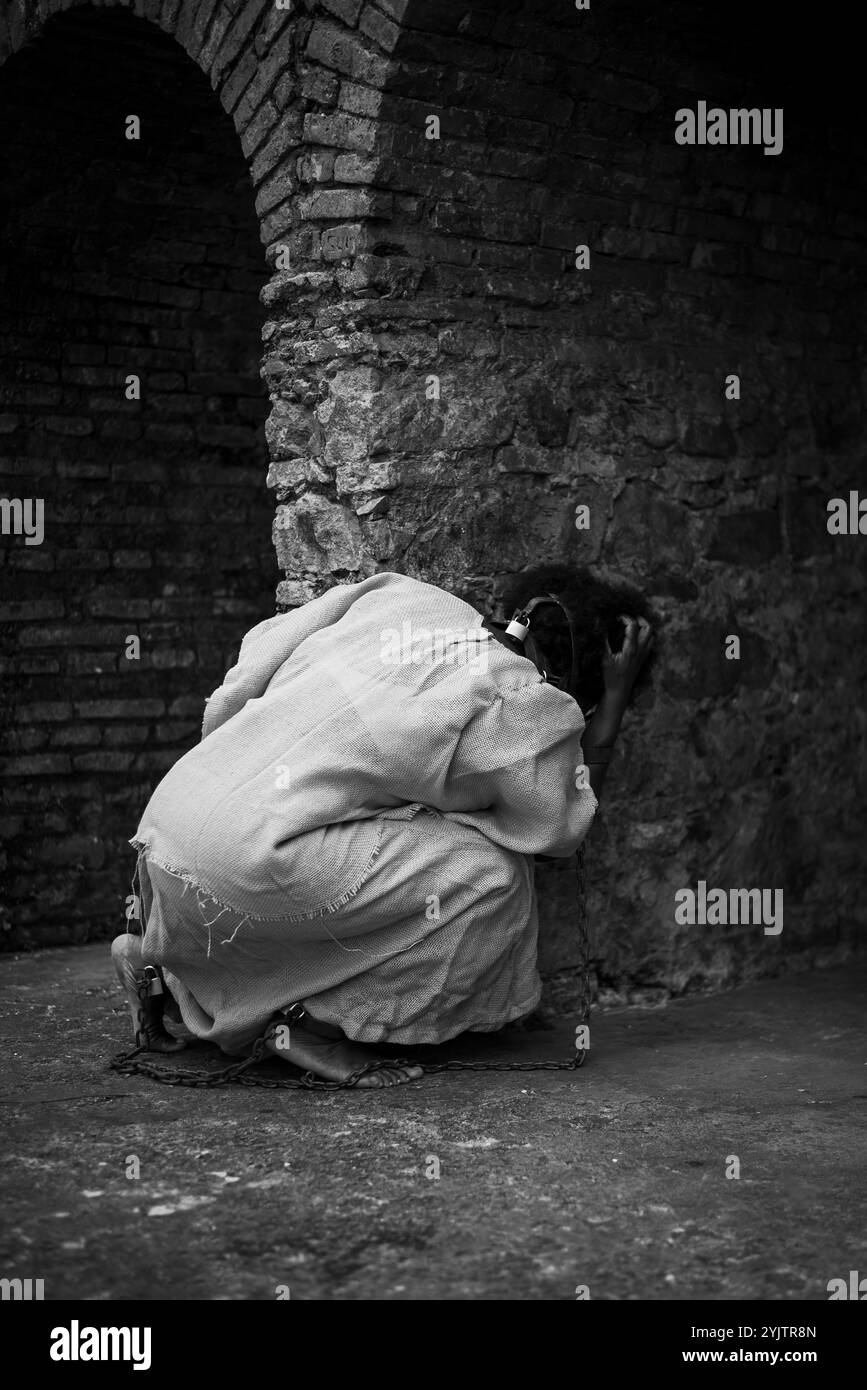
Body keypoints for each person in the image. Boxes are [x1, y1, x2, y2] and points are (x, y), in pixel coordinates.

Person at [112, 567, 654, 1088]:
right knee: (494, 876)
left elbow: (256, 658)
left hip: (171, 823)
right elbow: (557, 826)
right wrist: (610, 708)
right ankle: (311, 1030)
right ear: (576, 678)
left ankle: (159, 968)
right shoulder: (522, 703)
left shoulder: (402, 600)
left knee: (322, 850)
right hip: (242, 860)